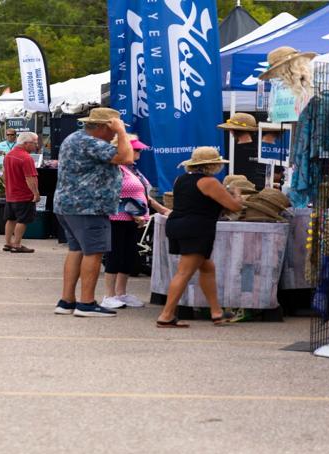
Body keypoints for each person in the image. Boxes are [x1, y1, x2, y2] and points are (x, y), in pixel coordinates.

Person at [52, 107, 134, 318]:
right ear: (101, 127)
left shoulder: (75, 137)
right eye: (112, 129)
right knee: (93, 252)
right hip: (89, 207)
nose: (114, 134)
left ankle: (67, 300)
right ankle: (86, 303)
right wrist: (123, 133)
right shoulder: (91, 142)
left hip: (69, 205)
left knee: (76, 250)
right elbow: (126, 157)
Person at [153, 146, 243, 328]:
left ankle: (216, 312)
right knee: (184, 272)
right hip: (197, 229)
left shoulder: (181, 179)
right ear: (212, 166)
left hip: (177, 224)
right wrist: (238, 194)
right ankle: (166, 315)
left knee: (207, 267)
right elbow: (234, 207)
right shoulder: (209, 182)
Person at [100, 135, 169, 308]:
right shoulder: (114, 168)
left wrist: (161, 209)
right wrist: (130, 212)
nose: (139, 152)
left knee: (129, 256)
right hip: (116, 219)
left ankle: (121, 293)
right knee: (114, 256)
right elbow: (108, 195)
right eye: (136, 149)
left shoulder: (132, 169)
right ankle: (108, 296)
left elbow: (144, 195)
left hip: (133, 220)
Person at [1, 131, 41, 254]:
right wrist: (36, 193)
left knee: (11, 219)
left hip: (11, 194)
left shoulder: (9, 155)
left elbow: (4, 174)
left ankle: (8, 243)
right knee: (22, 220)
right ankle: (17, 244)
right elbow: (30, 178)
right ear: (26, 143)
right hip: (23, 194)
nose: (36, 146)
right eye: (34, 143)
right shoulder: (26, 158)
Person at [217, 112, 266, 190]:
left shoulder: (230, 150)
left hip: (239, 190)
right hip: (258, 188)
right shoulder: (262, 148)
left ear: (233, 131)